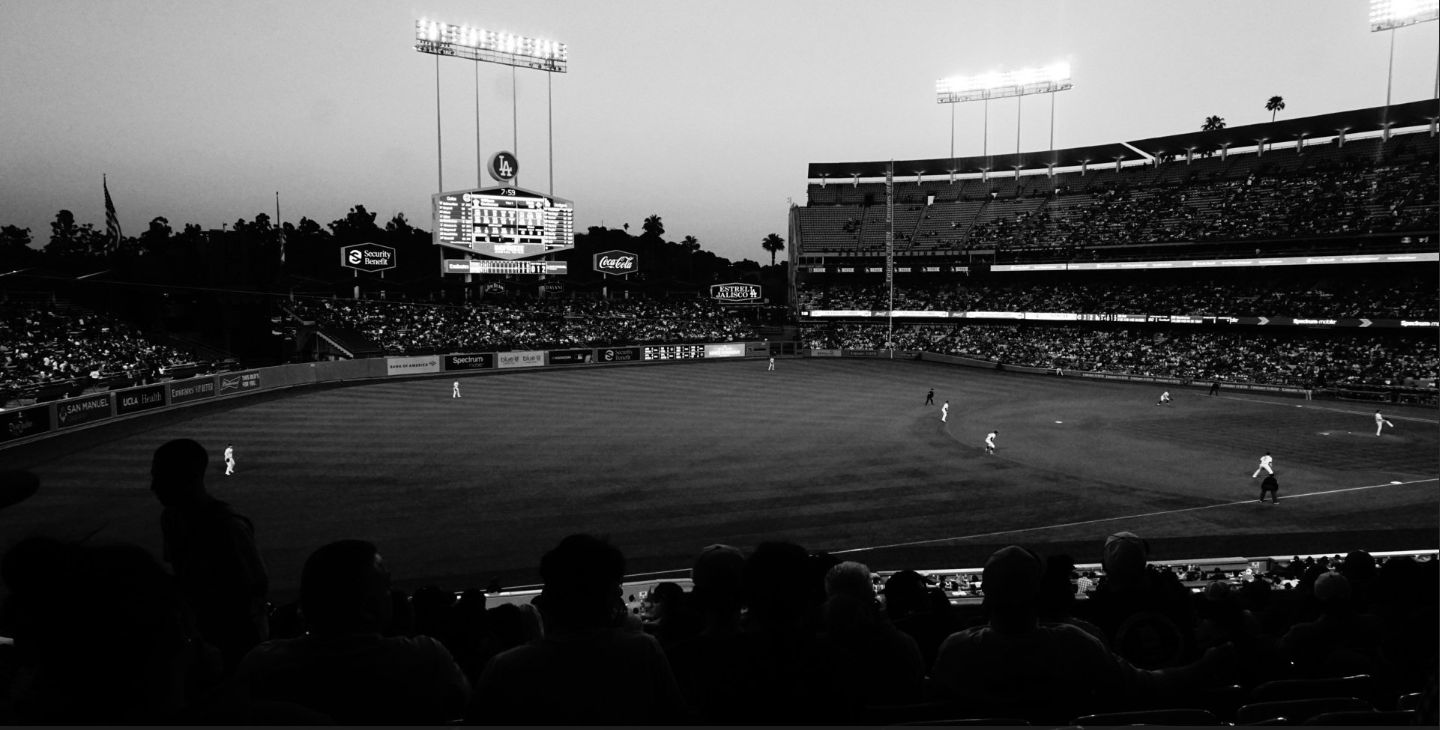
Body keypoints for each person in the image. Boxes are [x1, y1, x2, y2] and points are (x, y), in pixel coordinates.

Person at [227, 540, 470, 724]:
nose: (393, 595)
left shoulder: (263, 663)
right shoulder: (426, 657)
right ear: (367, 608)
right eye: (386, 587)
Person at [150, 439, 269, 674]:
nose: (153, 487)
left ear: (188, 477)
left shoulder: (229, 527)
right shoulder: (171, 518)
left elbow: (254, 588)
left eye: (161, 477)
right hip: (197, 632)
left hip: (236, 636)